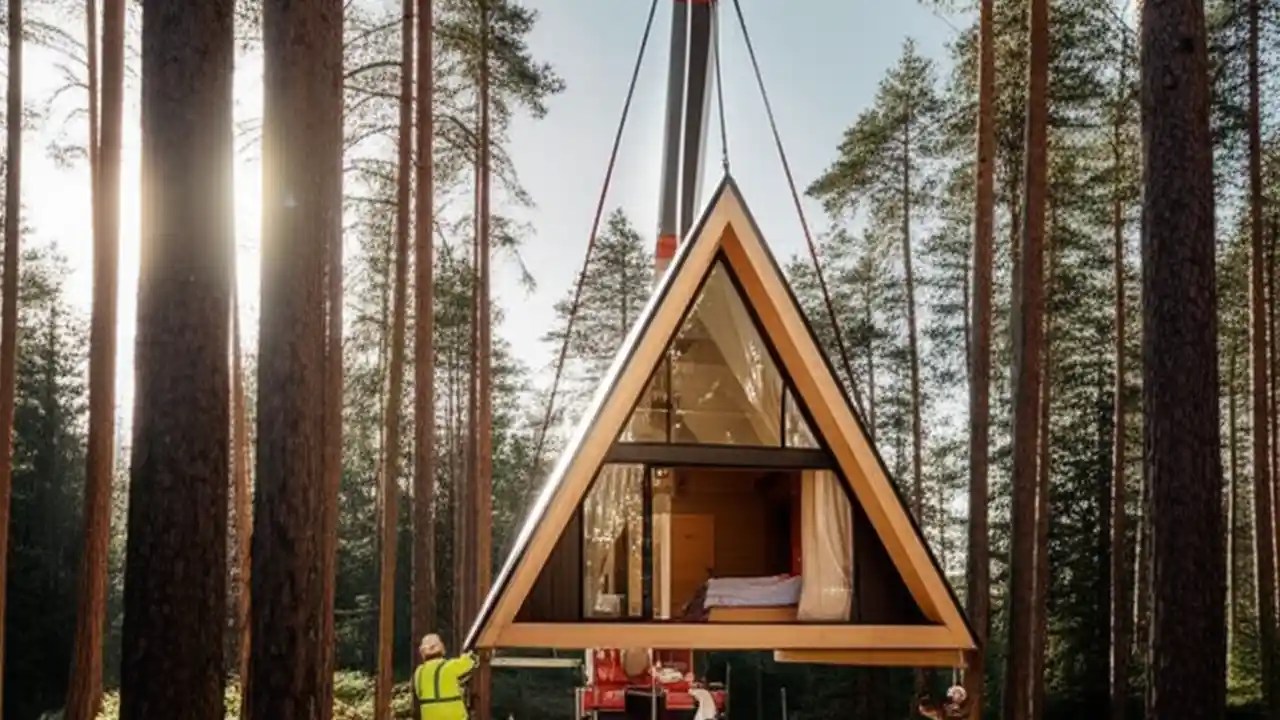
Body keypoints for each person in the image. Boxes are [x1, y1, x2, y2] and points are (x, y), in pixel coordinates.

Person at [412, 634, 477, 720]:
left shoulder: (418, 672)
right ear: (442, 648)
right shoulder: (450, 666)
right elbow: (471, 661)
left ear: (422, 652)